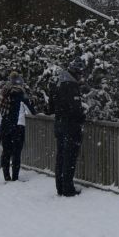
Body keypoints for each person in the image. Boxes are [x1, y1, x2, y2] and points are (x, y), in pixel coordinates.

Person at [48, 56, 87, 196]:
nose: (82, 77)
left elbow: (51, 107)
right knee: (69, 158)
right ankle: (68, 189)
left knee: (61, 157)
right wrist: (83, 115)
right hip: (70, 126)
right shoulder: (71, 86)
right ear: (76, 72)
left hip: (59, 124)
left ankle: (60, 186)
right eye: (81, 74)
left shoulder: (58, 83)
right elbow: (75, 109)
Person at [0, 72, 29, 182]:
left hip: (5, 126)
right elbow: (29, 111)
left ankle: (6, 176)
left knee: (6, 152)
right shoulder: (22, 94)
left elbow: (0, 113)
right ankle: (15, 177)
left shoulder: (4, 93)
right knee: (16, 153)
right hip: (19, 126)